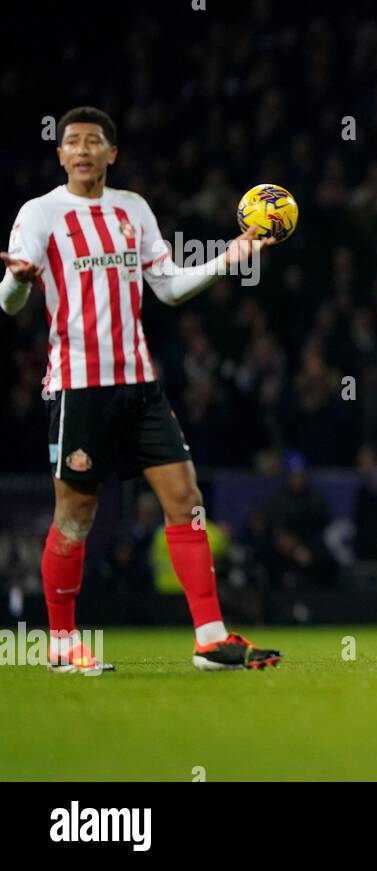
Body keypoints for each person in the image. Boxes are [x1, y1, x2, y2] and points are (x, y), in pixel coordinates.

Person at [0, 106, 281, 674]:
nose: (82, 149)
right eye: (72, 141)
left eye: (93, 142)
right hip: (79, 389)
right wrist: (16, 281)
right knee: (76, 514)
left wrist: (229, 257)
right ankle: (60, 643)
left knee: (187, 501)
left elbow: (170, 288)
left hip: (141, 386)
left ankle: (210, 638)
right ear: (60, 156)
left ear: (111, 154)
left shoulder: (133, 209)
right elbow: (8, 303)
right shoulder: (40, 213)